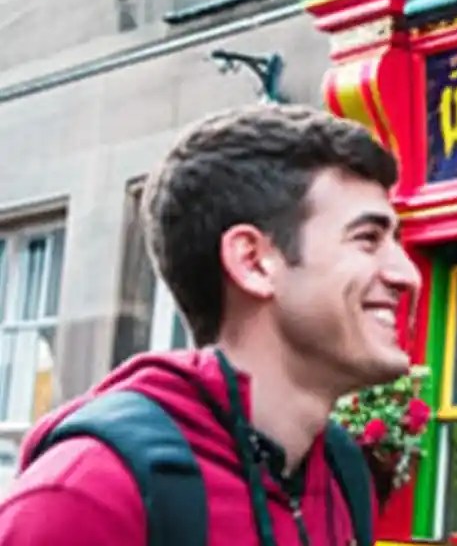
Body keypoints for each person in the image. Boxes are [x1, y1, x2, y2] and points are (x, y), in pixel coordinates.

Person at [0, 103, 422, 545]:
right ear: (254, 262)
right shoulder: (88, 498)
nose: (406, 275)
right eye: (367, 239)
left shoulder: (343, 479)